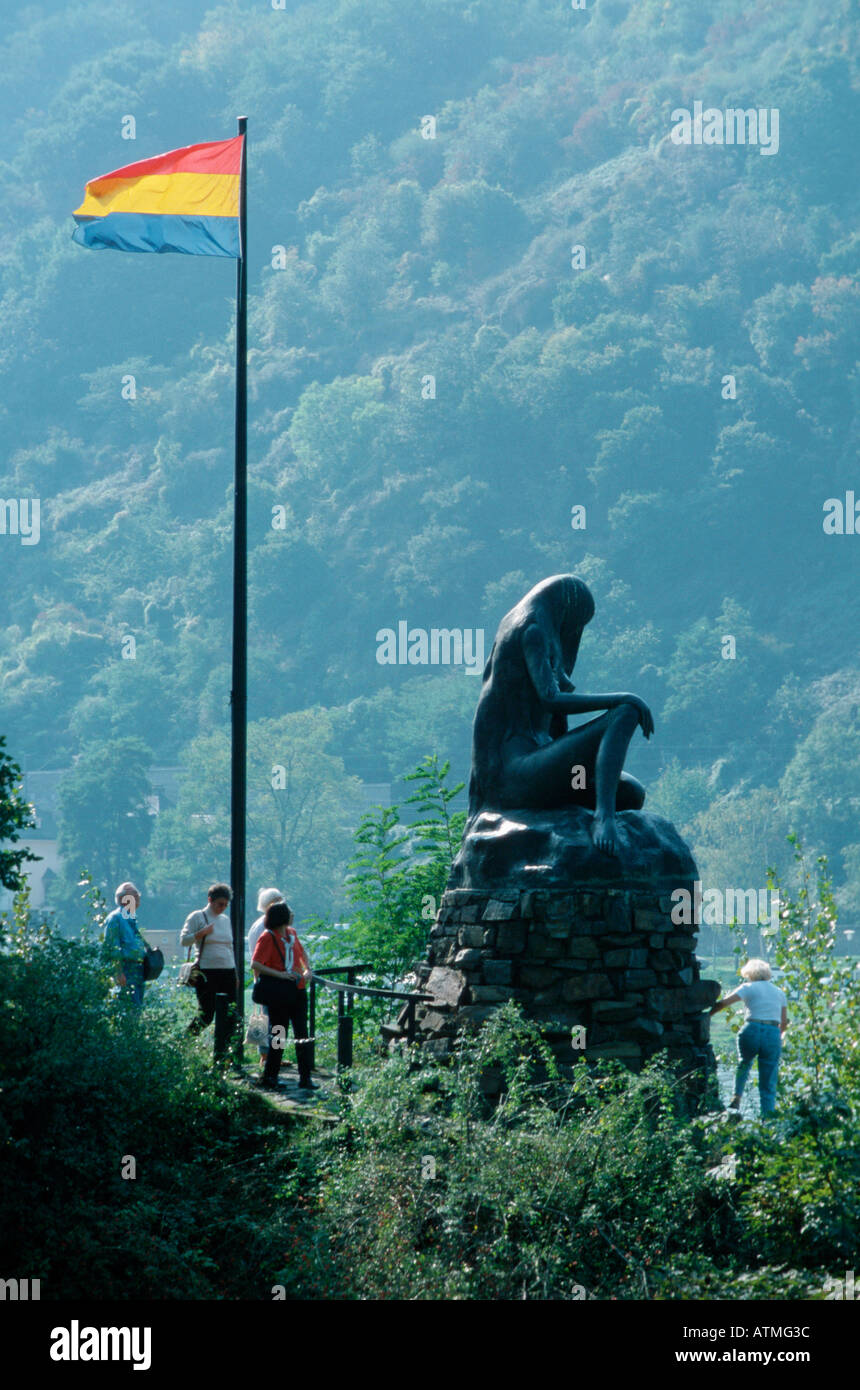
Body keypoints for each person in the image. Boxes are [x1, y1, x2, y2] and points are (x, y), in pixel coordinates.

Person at [468, 575, 654, 855]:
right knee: (625, 712)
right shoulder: (530, 629)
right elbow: (552, 699)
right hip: (516, 775)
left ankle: (601, 809)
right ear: (566, 610)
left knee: (631, 792)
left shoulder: (536, 630)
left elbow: (555, 724)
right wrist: (624, 697)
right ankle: (603, 817)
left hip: (535, 764)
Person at [251, 901, 316, 1093]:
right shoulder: (268, 937)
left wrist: (307, 970)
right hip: (279, 992)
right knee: (279, 1032)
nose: (292, 915)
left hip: (297, 988)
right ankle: (271, 1076)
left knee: (302, 1033)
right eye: (288, 912)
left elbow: (302, 953)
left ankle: (305, 1077)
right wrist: (280, 974)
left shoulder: (292, 934)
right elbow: (255, 964)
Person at [710, 958, 788, 1117]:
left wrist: (707, 1015)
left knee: (744, 1064)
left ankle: (737, 1096)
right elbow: (784, 1022)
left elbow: (723, 1003)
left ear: (749, 973)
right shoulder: (779, 993)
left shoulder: (748, 987)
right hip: (772, 1031)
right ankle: (767, 1120)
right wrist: (776, 1038)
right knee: (768, 1081)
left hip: (751, 1028)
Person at [180, 883, 237, 1035]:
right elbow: (184, 940)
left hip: (228, 971)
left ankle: (225, 1052)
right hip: (207, 972)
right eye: (220, 904)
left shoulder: (225, 920)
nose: (223, 908)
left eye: (226, 905)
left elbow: (229, 947)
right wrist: (201, 933)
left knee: (230, 1014)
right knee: (207, 1014)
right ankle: (185, 1040)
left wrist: (235, 974)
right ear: (210, 900)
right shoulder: (197, 917)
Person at [247, 888, 284, 1068]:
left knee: (276, 1018)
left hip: (274, 979)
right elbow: (257, 957)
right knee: (269, 1019)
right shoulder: (263, 926)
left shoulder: (267, 924)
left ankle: (275, 1054)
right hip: (269, 978)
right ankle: (267, 1056)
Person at [103, 881, 147, 1007]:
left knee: (137, 1008)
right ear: (123, 898)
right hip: (126, 969)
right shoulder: (115, 918)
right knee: (129, 1007)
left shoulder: (131, 918)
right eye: (134, 893)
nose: (138, 896)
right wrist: (118, 972)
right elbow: (112, 948)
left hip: (138, 969)